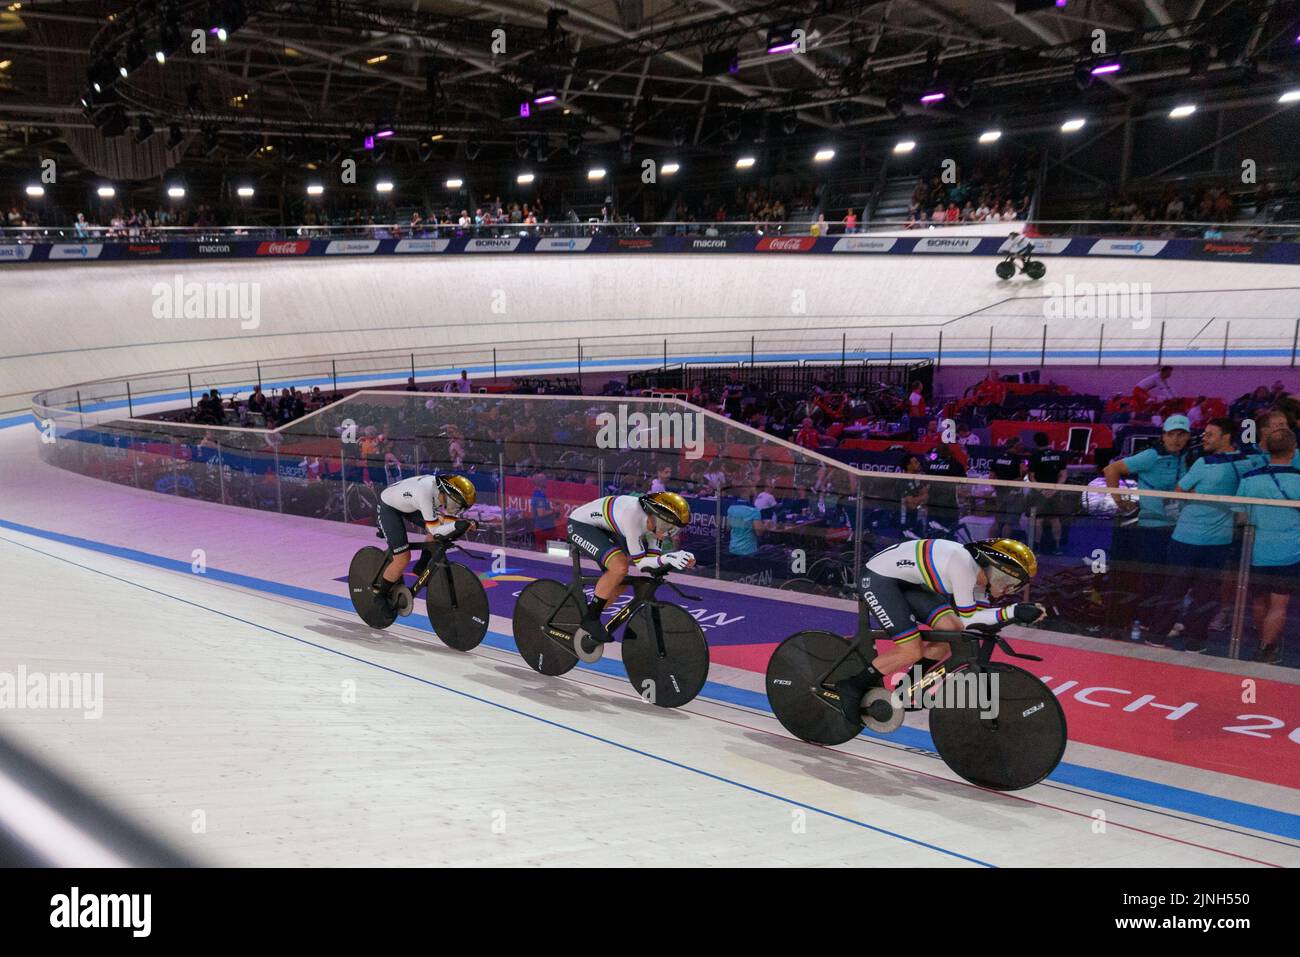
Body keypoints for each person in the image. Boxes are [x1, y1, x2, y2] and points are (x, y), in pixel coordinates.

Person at [831, 539, 1044, 722]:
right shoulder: (963, 566)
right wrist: (1014, 611)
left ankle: (906, 689)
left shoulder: (980, 579)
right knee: (910, 651)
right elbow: (970, 619)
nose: (1008, 589)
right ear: (995, 569)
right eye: (1009, 581)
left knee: (951, 632)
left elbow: (974, 622)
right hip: (879, 579)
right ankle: (852, 685)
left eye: (1015, 586)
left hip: (909, 583)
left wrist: (1016, 613)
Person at [1145, 418, 1253, 652]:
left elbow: (1178, 493)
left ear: (1226, 437)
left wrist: (1196, 492)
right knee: (1206, 595)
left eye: (1210, 434)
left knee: (1173, 590)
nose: (1204, 438)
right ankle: (1195, 643)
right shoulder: (1247, 464)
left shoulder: (1203, 464)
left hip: (1186, 538)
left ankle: (1156, 638)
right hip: (1219, 541)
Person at [1101, 415, 1192, 641]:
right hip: (1152, 528)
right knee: (1152, 578)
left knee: (1170, 578)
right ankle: (1147, 621)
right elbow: (1110, 470)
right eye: (1171, 434)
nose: (1176, 439)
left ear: (1188, 436)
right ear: (1163, 435)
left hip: (1178, 527)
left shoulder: (1187, 457)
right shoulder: (1151, 456)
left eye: (1181, 434)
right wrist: (1120, 501)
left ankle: (1161, 619)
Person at [567, 491, 694, 645]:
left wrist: (679, 559)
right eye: (668, 527)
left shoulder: (654, 522)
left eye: (674, 529)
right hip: (581, 524)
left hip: (607, 527)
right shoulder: (633, 517)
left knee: (620, 584)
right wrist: (669, 558)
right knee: (619, 567)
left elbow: (653, 561)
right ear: (657, 517)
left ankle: (584, 614)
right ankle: (591, 619)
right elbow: (641, 564)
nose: (669, 533)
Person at [1235, 428, 1300, 664]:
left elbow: (1241, 517)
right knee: (1279, 603)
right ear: (1293, 450)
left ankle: (1262, 641)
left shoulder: (1250, 478)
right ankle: (1267, 648)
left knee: (1259, 600)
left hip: (1256, 550)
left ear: (1266, 449)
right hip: (1290, 551)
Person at [372, 474, 477, 609]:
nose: (456, 509)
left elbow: (447, 519)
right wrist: (458, 525)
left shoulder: (442, 491)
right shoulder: (426, 492)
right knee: (402, 558)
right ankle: (380, 596)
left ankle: (421, 565)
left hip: (411, 504)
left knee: (438, 527)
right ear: (446, 494)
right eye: (456, 504)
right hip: (390, 507)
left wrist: (465, 523)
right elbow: (435, 530)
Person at [1026, 432, 1069, 554]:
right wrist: (1055, 490)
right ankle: (1057, 547)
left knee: (1038, 521)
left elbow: (1031, 477)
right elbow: (1064, 475)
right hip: (1055, 492)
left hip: (1039, 493)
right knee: (1055, 519)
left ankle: (1036, 548)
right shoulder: (1058, 455)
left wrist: (1043, 491)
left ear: (1036, 442)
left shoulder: (1034, 456)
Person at [990, 438, 1028, 540]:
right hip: (1013, 493)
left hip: (1000, 492)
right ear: (1014, 446)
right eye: (1020, 445)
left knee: (997, 521)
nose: (1022, 447)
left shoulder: (997, 457)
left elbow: (991, 477)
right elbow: (1023, 470)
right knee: (1009, 523)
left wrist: (997, 489)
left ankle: (989, 544)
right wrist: (1022, 477)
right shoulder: (1017, 458)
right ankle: (1003, 547)